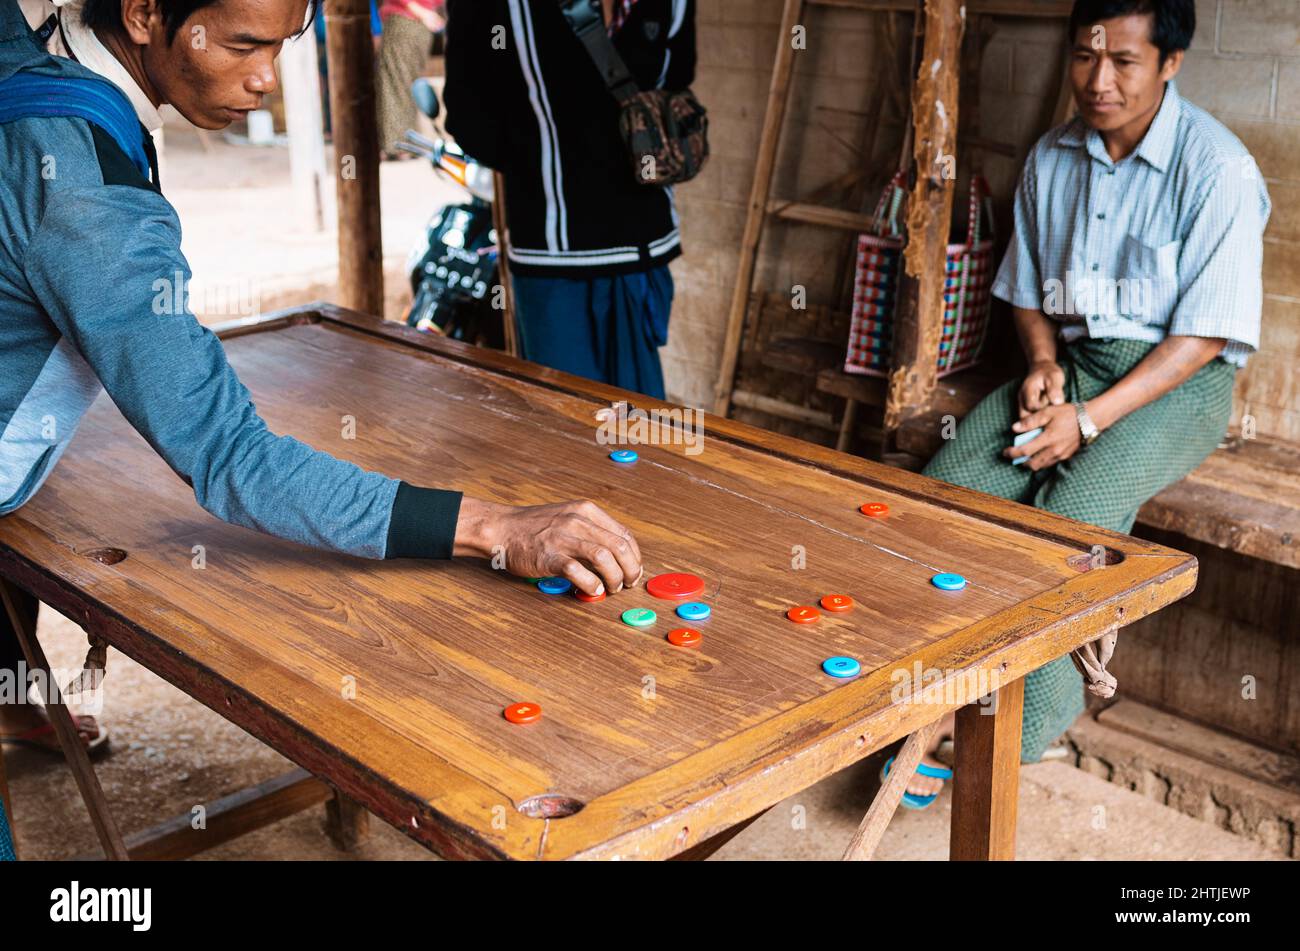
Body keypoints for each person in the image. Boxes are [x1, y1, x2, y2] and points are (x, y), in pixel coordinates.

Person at [0, 0, 642, 760]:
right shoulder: (90, 199)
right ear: (143, 13)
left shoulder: (23, 47)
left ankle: (13, 700)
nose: (265, 78)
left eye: (282, 46)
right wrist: (495, 528)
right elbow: (232, 457)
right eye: (241, 45)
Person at [900, 0, 1271, 808]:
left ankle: (1013, 731)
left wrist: (1091, 422)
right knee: (951, 490)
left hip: (1178, 385)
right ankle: (923, 699)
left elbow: (1203, 338)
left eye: (1125, 63)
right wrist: (1042, 364)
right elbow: (1027, 291)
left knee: (1078, 517)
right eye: (1083, 58)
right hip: (1078, 364)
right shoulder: (1054, 155)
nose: (1098, 82)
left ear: (1170, 63)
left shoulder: (1218, 168)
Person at [443, 0, 697, 400]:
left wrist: (541, 162)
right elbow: (678, 83)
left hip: (560, 250)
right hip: (631, 243)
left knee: (567, 428)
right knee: (634, 429)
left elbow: (467, 116)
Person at [376, 0, 444, 159]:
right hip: (420, 24)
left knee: (395, 84)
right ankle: (405, 142)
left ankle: (398, 144)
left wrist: (420, 11)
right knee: (405, 83)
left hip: (406, 20)